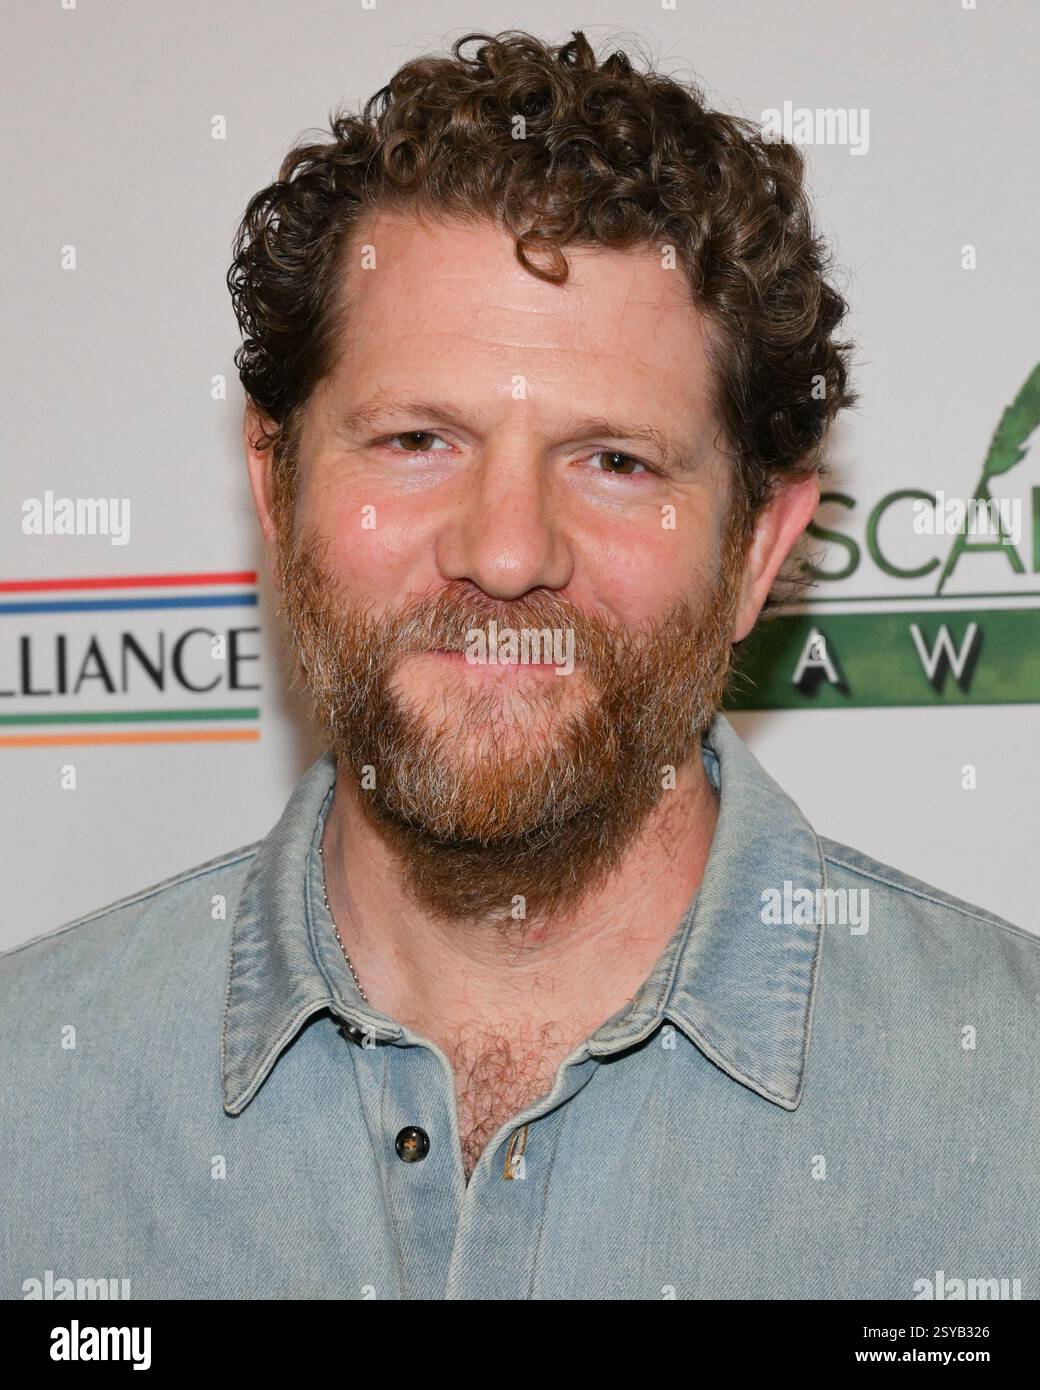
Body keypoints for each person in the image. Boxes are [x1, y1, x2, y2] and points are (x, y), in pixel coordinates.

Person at [3, 29, 1037, 1302]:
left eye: (614, 460)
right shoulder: (27, 1102)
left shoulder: (1010, 1109)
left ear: (759, 548)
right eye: (416, 439)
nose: (503, 555)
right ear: (274, 489)